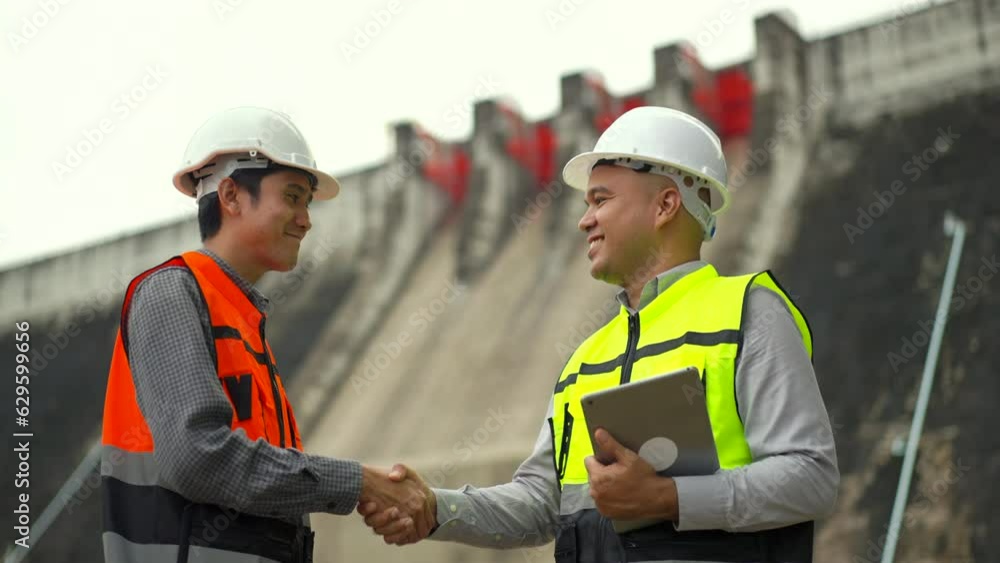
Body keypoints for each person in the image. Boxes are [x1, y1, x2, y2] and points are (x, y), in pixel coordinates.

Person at [358, 106, 839, 562]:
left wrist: (669, 497)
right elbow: (541, 503)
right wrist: (436, 507)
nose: (584, 220)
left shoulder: (748, 311)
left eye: (601, 200)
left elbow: (811, 478)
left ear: (666, 204)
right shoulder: (585, 359)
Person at [99, 107, 434, 563]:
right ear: (233, 196)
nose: (306, 219)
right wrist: (356, 483)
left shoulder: (241, 318)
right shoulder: (171, 293)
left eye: (307, 203)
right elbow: (198, 458)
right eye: (293, 197)